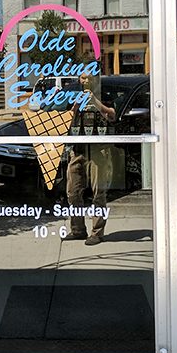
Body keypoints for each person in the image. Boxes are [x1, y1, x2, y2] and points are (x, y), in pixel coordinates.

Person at [64, 72, 117, 246]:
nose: (86, 81)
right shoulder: (74, 97)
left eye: (89, 78)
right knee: (73, 192)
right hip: (78, 149)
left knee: (98, 193)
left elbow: (112, 116)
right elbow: (67, 121)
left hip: (98, 150)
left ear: (96, 79)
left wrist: (95, 101)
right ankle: (77, 229)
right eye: (82, 77)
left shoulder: (104, 96)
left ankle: (97, 232)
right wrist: (75, 107)